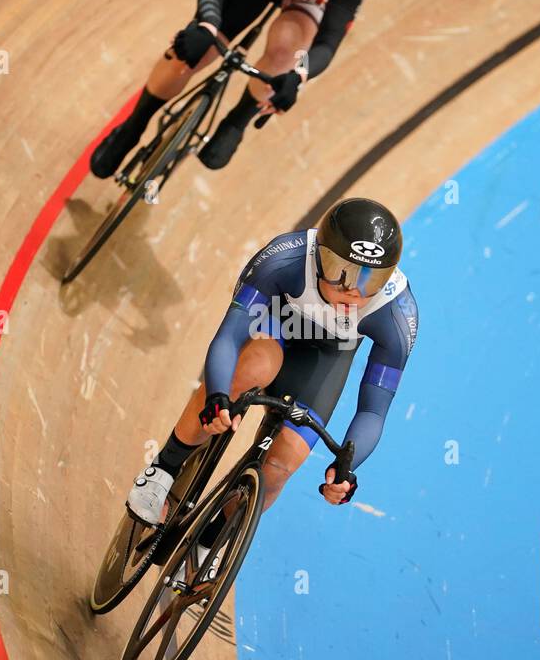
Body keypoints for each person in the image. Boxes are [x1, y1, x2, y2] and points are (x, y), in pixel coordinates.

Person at [126, 197, 417, 543]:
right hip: (275, 328)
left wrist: (346, 467)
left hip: (323, 363)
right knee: (253, 369)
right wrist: (217, 396)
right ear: (318, 257)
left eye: (371, 279)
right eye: (342, 272)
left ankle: (210, 542)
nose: (353, 290)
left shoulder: (397, 313)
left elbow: (373, 410)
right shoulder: (286, 258)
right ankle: (163, 469)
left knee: (281, 467)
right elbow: (229, 338)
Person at [90, 0, 374, 177]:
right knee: (186, 56)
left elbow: (328, 41)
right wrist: (207, 25)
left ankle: (237, 120)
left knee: (285, 51)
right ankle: (133, 126)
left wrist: (299, 75)